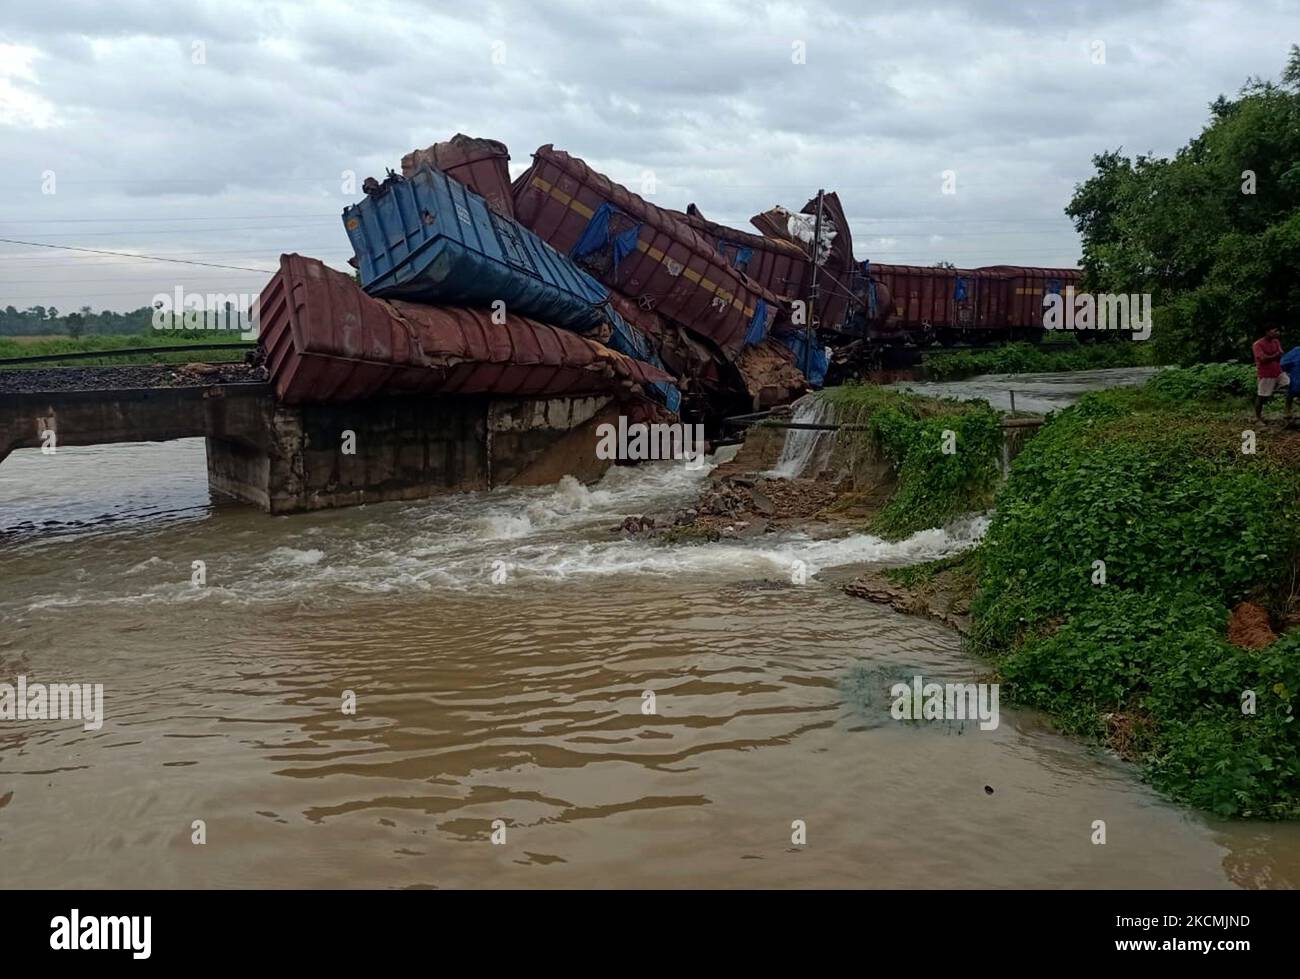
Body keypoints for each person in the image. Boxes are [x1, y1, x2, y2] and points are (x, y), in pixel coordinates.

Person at [1253, 327, 1289, 421]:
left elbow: (1280, 353)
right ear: (1267, 332)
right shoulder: (1258, 344)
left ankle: (1287, 411)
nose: (1277, 333)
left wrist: (1275, 356)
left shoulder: (1276, 341)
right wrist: (1275, 356)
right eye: (1274, 331)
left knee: (1290, 386)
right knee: (1262, 397)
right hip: (1266, 373)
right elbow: (1262, 359)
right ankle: (1258, 417)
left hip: (1278, 371)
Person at [1281, 342, 1300, 421]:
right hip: (1296, 383)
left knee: (1291, 391)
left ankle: (1287, 411)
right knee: (1292, 389)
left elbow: (1283, 364)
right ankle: (1287, 411)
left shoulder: (1296, 351)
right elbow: (1283, 364)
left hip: (1295, 384)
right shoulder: (1297, 351)